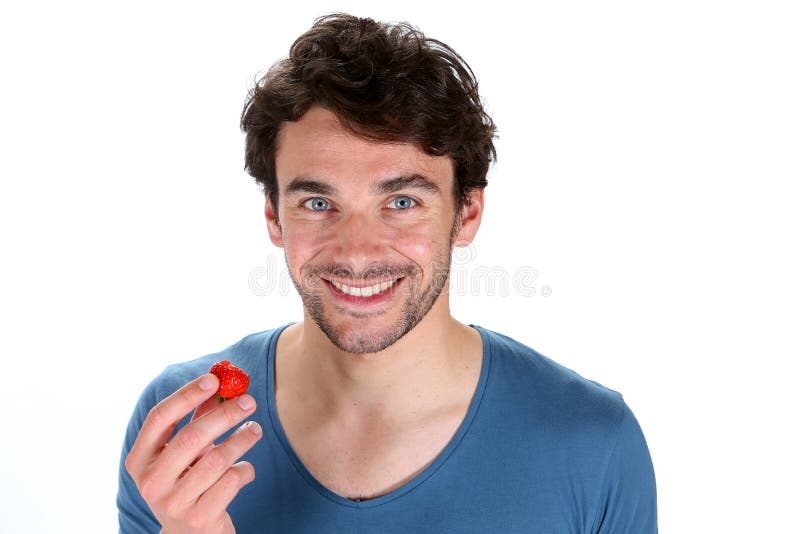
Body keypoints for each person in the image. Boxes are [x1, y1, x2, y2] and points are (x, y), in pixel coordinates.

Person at [118, 13, 657, 533]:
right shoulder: (184, 425)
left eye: (401, 202)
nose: (356, 252)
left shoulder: (593, 445)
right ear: (273, 216)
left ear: (466, 213)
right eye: (317, 203)